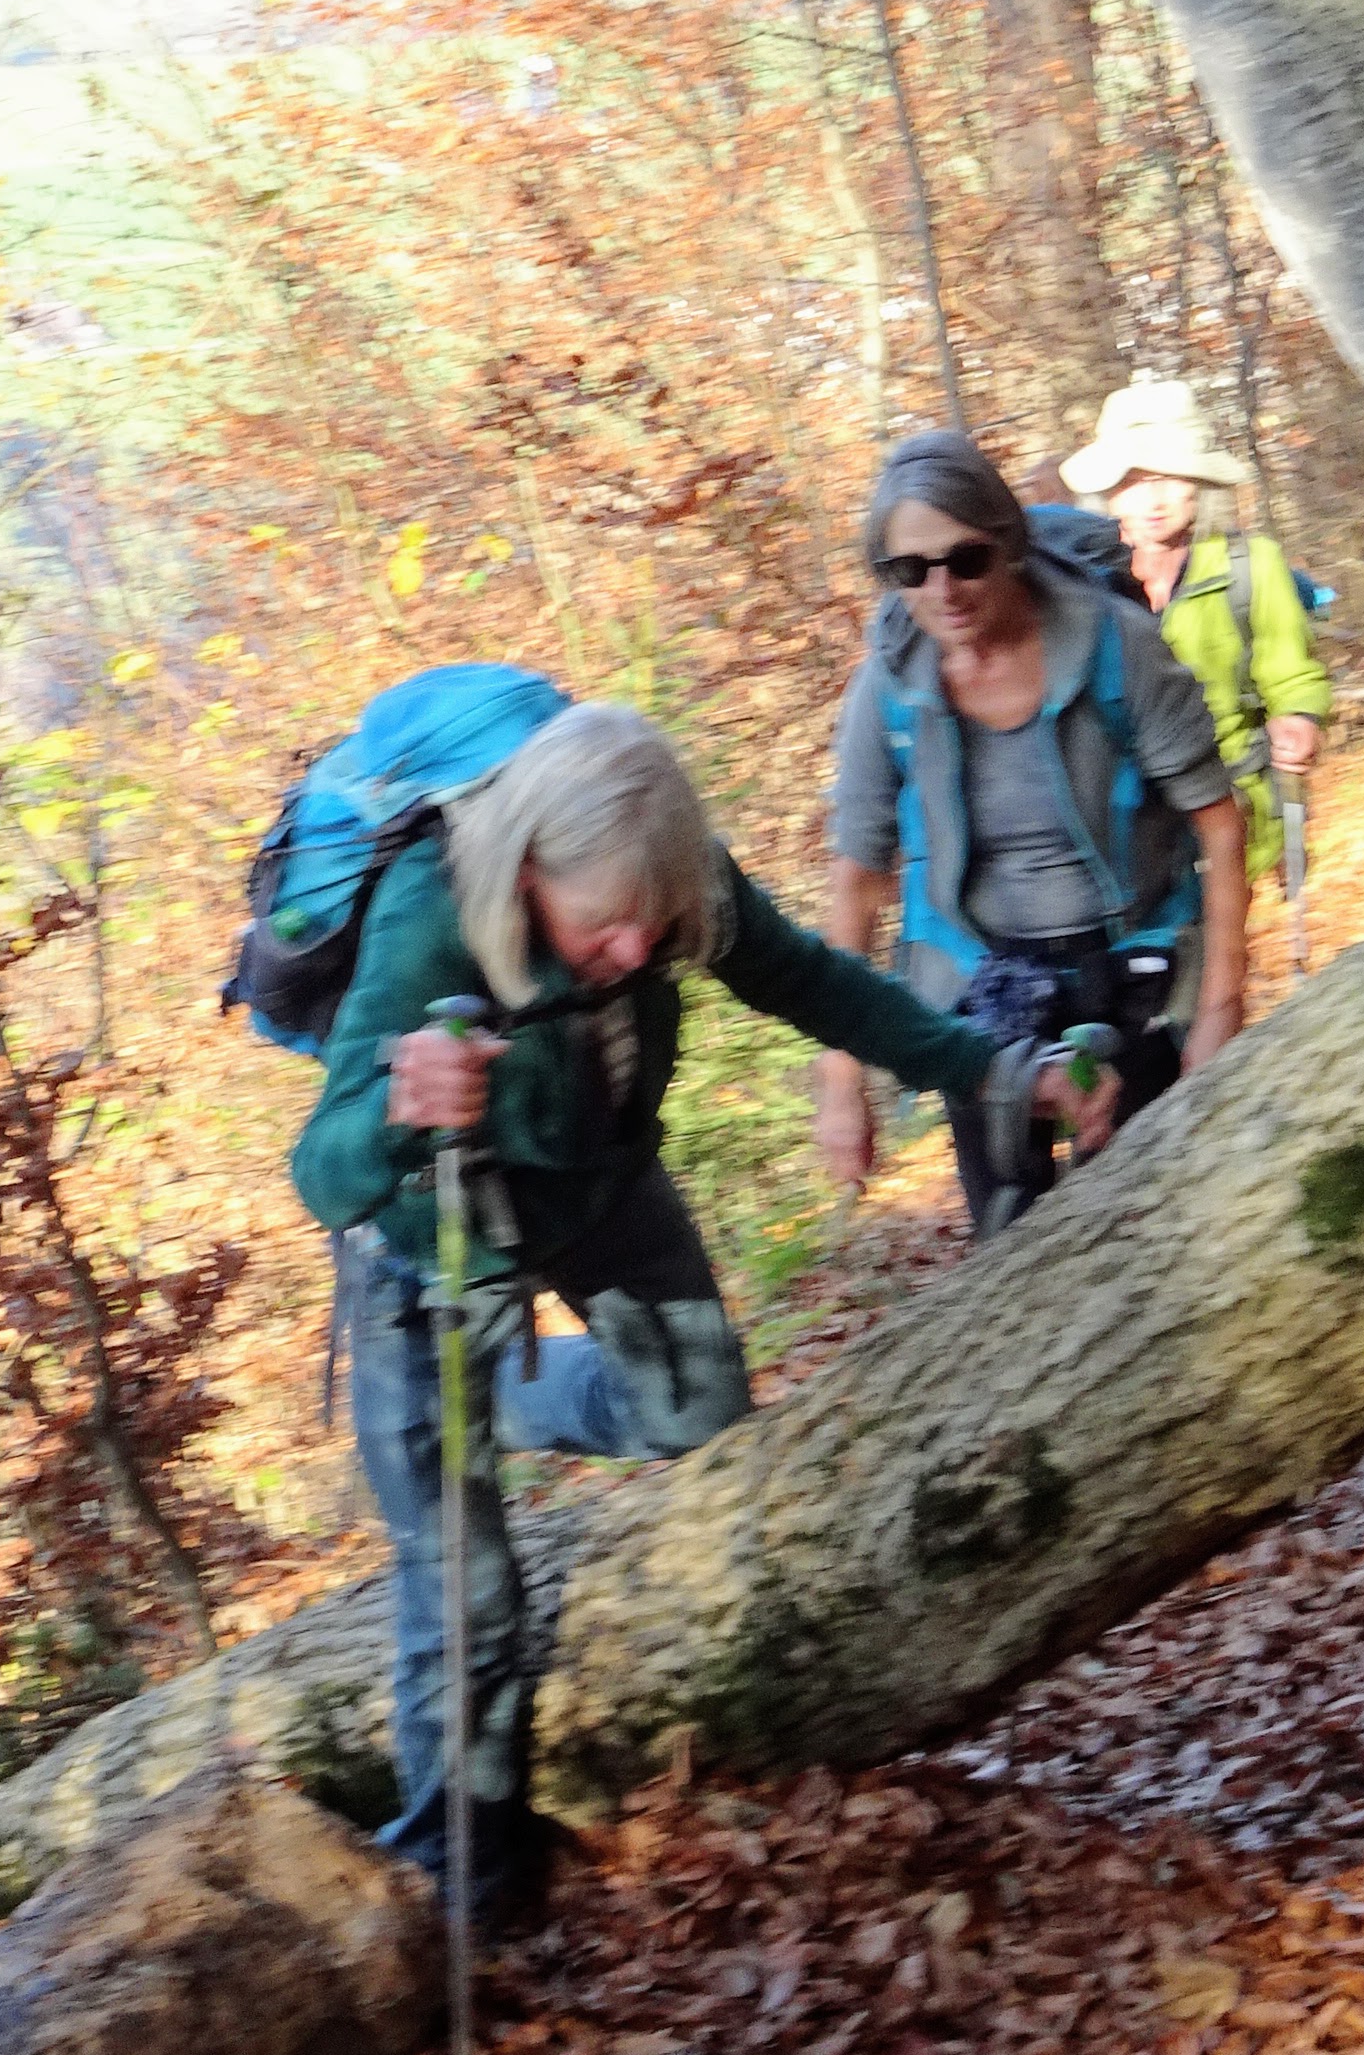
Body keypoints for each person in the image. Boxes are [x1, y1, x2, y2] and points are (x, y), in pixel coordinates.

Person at [288, 697, 1113, 1924]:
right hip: (429, 1242)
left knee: (699, 1413)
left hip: (599, 1181)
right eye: (600, 926)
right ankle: (464, 1873)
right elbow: (323, 1173)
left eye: (651, 924)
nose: (632, 952)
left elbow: (817, 984)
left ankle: (502, 1397)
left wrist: (998, 1073)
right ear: (526, 870)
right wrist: (402, 1105)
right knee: (465, 1592)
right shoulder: (429, 922)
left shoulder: (669, 872)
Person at [816, 430, 1249, 1235]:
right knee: (1010, 1234)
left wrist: (1220, 1010)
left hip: (1133, 974)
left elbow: (1220, 828)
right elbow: (857, 878)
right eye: (910, 570)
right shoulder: (887, 690)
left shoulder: (1116, 648)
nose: (942, 589)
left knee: (1148, 1225)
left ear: (1008, 544)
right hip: (979, 991)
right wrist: (842, 1079)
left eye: (966, 560)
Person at [1061, 379, 1333, 887]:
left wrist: (1298, 716)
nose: (1152, 500)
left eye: (1167, 478)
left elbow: (1289, 670)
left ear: (1198, 483)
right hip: (1125, 841)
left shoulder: (1251, 566)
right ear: (1110, 493)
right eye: (1133, 481)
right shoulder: (1081, 586)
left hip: (1238, 817)